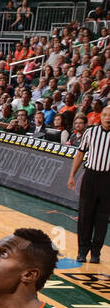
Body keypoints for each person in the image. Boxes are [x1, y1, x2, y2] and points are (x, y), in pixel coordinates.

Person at [67, 109, 110, 263]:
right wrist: (72, 175)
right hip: (90, 176)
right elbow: (80, 154)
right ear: (101, 118)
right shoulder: (90, 132)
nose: (108, 118)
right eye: (105, 115)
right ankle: (82, 251)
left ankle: (96, 253)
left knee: (102, 217)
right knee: (85, 216)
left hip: (108, 179)